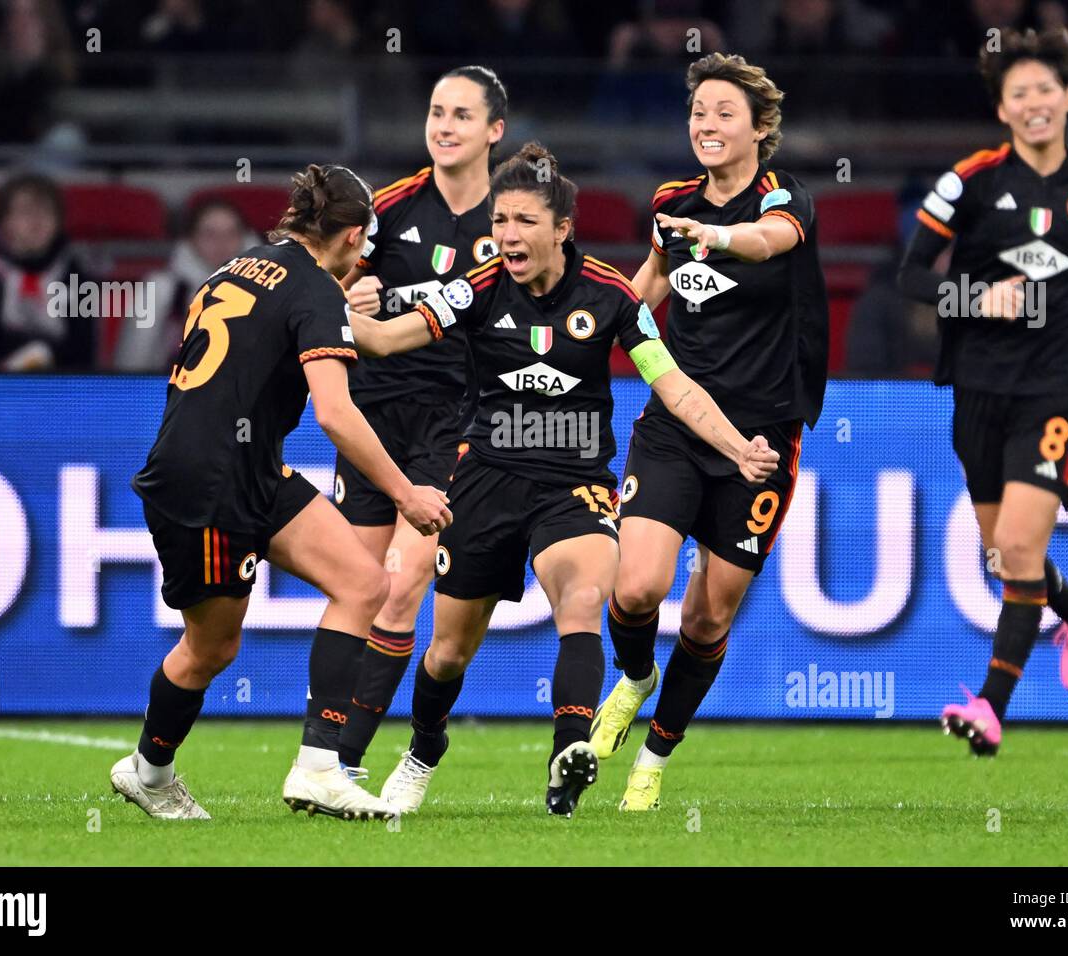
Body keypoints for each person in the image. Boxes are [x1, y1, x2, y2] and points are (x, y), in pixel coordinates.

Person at [347, 142, 778, 817]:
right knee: (447, 653)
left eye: (522, 221)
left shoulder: (610, 296)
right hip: (485, 478)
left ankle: (568, 753)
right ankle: (424, 748)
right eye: (499, 221)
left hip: (573, 482)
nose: (506, 235)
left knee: (580, 603)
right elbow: (385, 340)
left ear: (561, 230)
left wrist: (737, 448)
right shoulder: (478, 287)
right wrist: (331, 307)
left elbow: (675, 386)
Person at [110, 164, 452, 820]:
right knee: (213, 649)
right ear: (352, 236)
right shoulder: (316, 291)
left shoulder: (237, 268)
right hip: (209, 485)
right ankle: (149, 771)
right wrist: (407, 492)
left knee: (363, 582)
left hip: (247, 466)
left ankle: (319, 767)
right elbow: (334, 413)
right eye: (364, 244)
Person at [896, 27, 1068, 755]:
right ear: (1003, 110)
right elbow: (910, 277)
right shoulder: (970, 181)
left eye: (1046, 90)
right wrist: (976, 297)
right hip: (977, 388)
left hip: (1057, 389)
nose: (1035, 103)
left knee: (1015, 546)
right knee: (1011, 559)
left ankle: (990, 706)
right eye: (1020, 94)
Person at [591, 52, 828, 812]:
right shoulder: (670, 200)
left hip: (761, 440)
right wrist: (590, 332)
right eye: (699, 112)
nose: (707, 124)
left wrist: (715, 236)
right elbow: (649, 286)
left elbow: (764, 242)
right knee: (637, 588)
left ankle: (656, 757)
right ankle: (633, 676)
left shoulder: (787, 198)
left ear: (760, 128)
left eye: (725, 112)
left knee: (708, 613)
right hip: (676, 422)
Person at [330, 66, 506, 776]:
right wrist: (350, 294)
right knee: (358, 588)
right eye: (437, 111)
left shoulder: (514, 218)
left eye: (462, 115)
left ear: (494, 130)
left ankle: (340, 763)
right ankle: (331, 747)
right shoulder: (391, 209)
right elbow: (324, 285)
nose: (444, 125)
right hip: (373, 416)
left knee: (403, 585)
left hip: (456, 421)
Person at [0, 172, 96, 371]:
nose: (37, 221)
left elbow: (83, 354)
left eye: (47, 212)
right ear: (3, 221)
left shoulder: (76, 275)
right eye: (25, 212)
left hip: (61, 390)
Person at [113, 197, 253, 371]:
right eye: (210, 234)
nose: (222, 243)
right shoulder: (159, 289)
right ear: (190, 238)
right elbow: (131, 364)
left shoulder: (265, 291)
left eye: (231, 233)